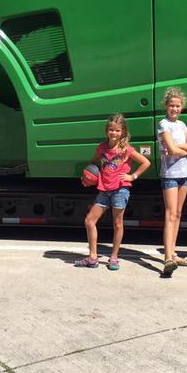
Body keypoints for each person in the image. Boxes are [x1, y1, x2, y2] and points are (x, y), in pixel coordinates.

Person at [74, 114, 150, 271]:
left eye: (117, 130)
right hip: (104, 190)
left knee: (117, 223)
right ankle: (93, 258)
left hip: (120, 190)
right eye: (111, 130)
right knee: (89, 221)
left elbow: (145, 162)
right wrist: (86, 177)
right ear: (106, 131)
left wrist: (132, 176)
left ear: (123, 132)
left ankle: (114, 257)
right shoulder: (102, 148)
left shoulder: (126, 149)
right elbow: (92, 164)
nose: (113, 133)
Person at [157, 87, 187, 277]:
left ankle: (173, 253)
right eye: (172, 105)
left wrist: (179, 147)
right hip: (170, 174)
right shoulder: (163, 124)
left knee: (178, 214)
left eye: (178, 106)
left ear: (182, 107)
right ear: (166, 106)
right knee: (170, 214)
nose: (175, 108)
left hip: (184, 174)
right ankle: (168, 259)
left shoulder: (182, 125)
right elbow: (172, 151)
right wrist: (184, 149)